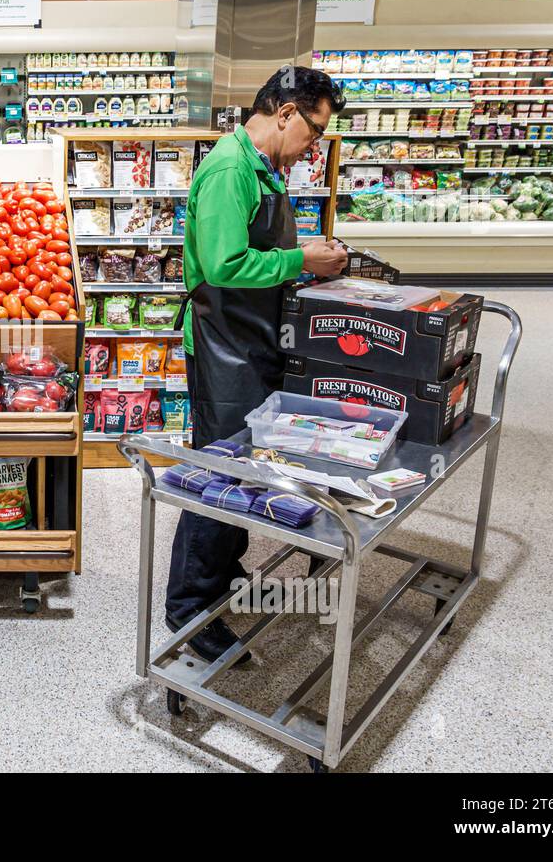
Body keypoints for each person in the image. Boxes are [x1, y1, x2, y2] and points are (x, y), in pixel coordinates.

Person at [167, 65, 349, 661]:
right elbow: (221, 267)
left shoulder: (265, 168)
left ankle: (222, 578)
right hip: (224, 346)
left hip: (253, 339)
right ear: (286, 112)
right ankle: (191, 612)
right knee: (219, 476)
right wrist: (302, 261)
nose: (315, 145)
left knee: (247, 468)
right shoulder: (228, 168)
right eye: (314, 131)